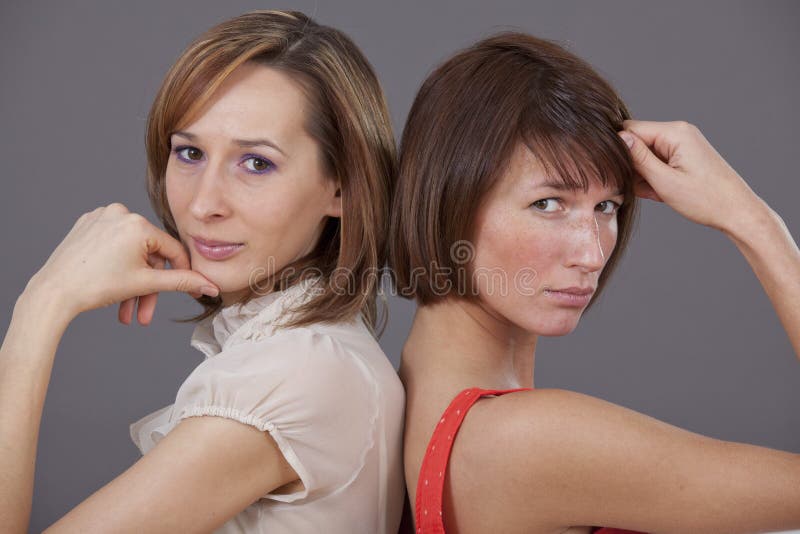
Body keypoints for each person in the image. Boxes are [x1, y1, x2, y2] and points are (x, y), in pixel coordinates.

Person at [0, 10, 405, 533]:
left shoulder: (298, 374)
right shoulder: (310, 353)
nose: (203, 203)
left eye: (256, 163)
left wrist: (43, 303)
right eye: (190, 152)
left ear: (342, 187)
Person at [389, 32, 800, 533]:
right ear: (448, 198)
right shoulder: (526, 441)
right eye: (548, 204)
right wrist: (756, 224)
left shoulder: (413, 395)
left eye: (607, 206)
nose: (591, 253)